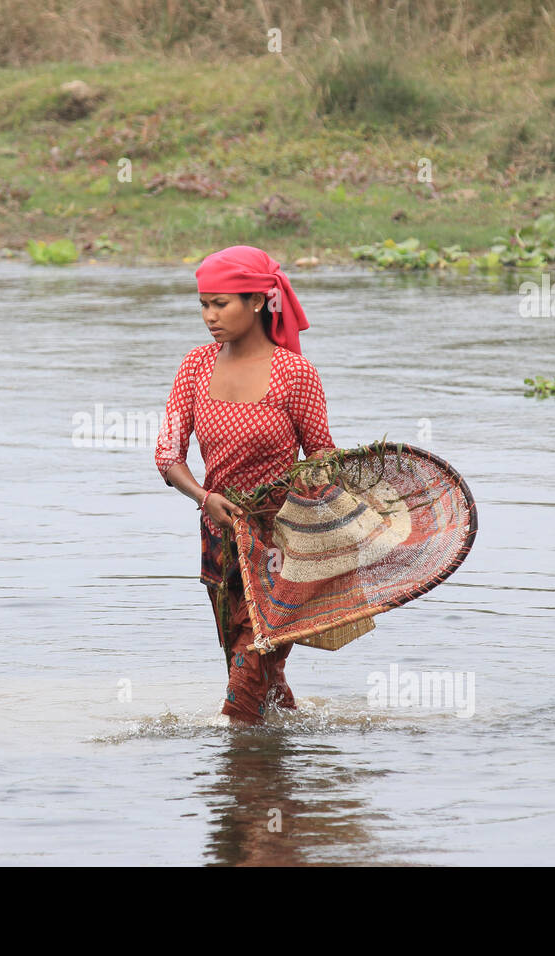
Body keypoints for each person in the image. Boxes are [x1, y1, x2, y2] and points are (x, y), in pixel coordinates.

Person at [155, 246, 335, 726]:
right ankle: (265, 773)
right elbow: (168, 455)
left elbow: (322, 458)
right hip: (220, 538)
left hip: (281, 540)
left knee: (248, 667)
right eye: (204, 304)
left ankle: (235, 746)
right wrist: (203, 497)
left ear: (258, 302)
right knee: (257, 671)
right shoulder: (195, 366)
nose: (209, 316)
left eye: (221, 304)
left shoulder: (295, 375)